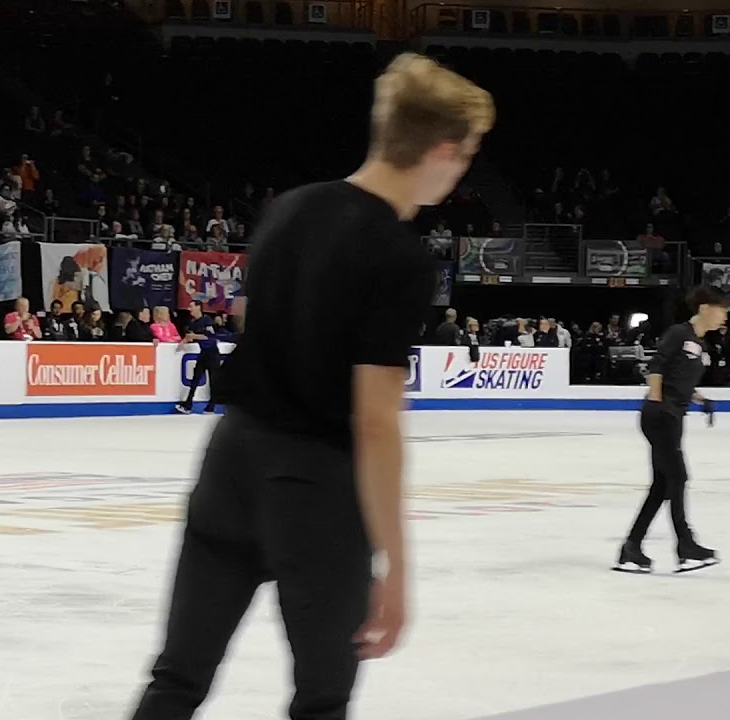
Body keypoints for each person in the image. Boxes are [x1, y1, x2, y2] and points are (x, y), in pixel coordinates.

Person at [127, 52, 494, 720]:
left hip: (229, 465)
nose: (463, 170)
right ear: (442, 150)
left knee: (178, 678)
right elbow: (376, 420)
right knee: (321, 700)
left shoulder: (289, 209)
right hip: (316, 489)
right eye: (467, 155)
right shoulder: (397, 256)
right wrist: (397, 568)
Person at [615, 285, 730, 575]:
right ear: (704, 308)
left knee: (663, 486)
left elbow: (680, 382)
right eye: (722, 309)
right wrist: (658, 402)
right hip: (660, 416)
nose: (725, 316)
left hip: (672, 416)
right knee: (678, 477)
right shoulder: (679, 333)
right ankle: (686, 546)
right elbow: (656, 368)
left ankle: (632, 549)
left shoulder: (700, 345)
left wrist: (700, 399)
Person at [175, 300, 223, 415]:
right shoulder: (192, 322)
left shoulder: (206, 320)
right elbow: (189, 336)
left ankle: (211, 406)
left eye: (191, 306)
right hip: (203, 354)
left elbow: (210, 336)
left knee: (213, 381)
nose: (189, 308)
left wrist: (194, 336)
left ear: (198, 307)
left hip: (212, 354)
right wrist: (182, 342)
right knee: (195, 379)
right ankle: (188, 405)